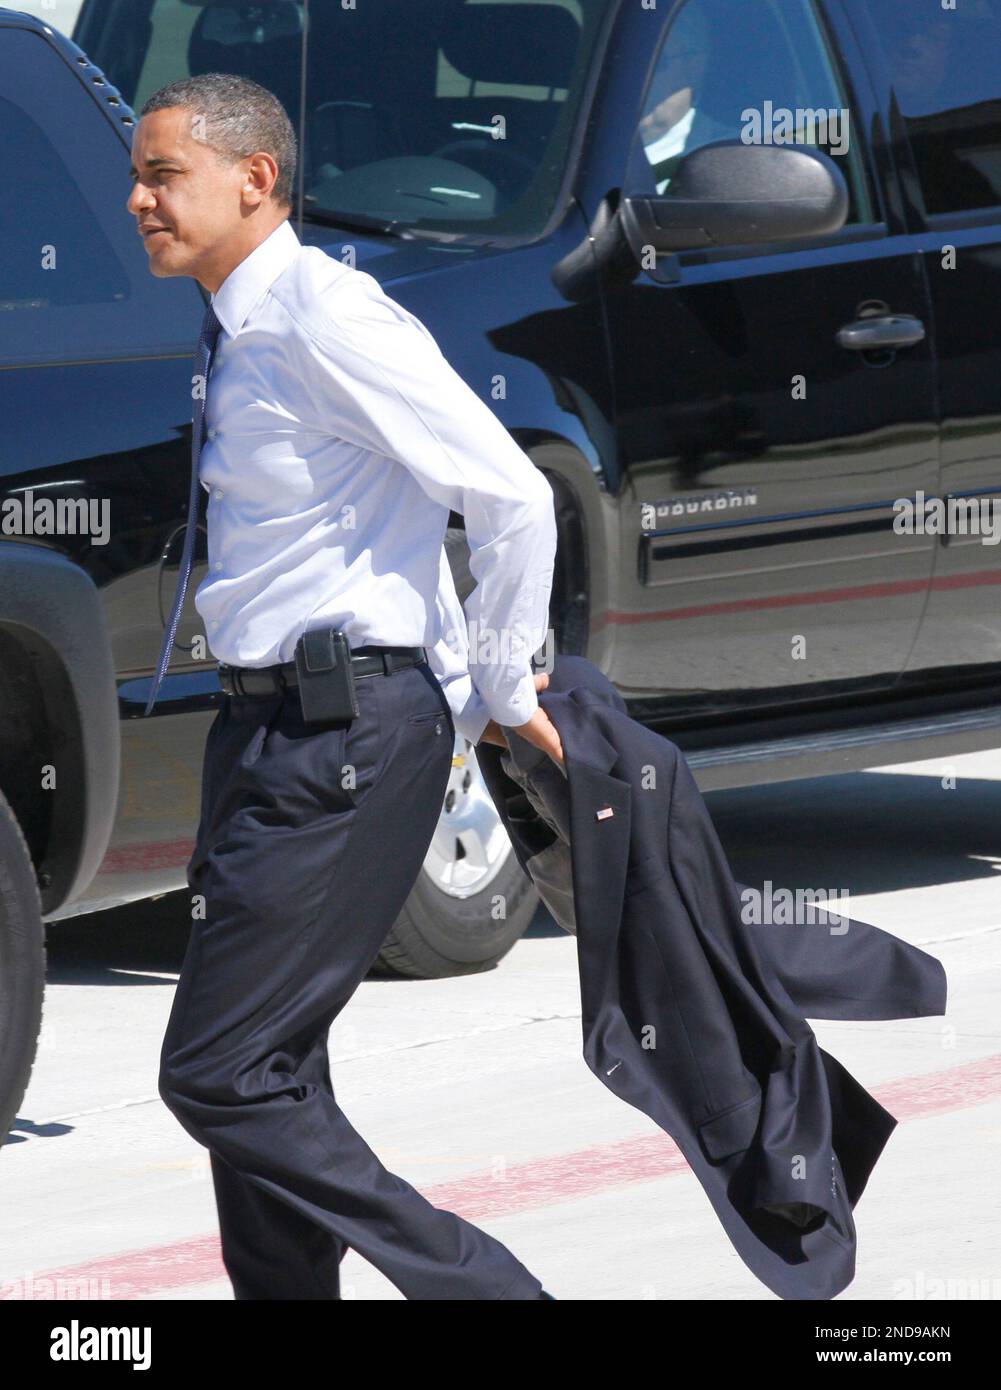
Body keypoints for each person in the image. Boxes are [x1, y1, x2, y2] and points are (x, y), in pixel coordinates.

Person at [130, 71, 561, 1299]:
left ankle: (488, 1291)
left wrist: (494, 685)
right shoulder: (239, 325)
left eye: (164, 175)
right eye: (140, 175)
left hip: (348, 735)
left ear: (254, 179)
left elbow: (512, 492)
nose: (137, 199)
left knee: (215, 1073)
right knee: (271, 1071)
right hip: (266, 728)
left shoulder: (329, 319)